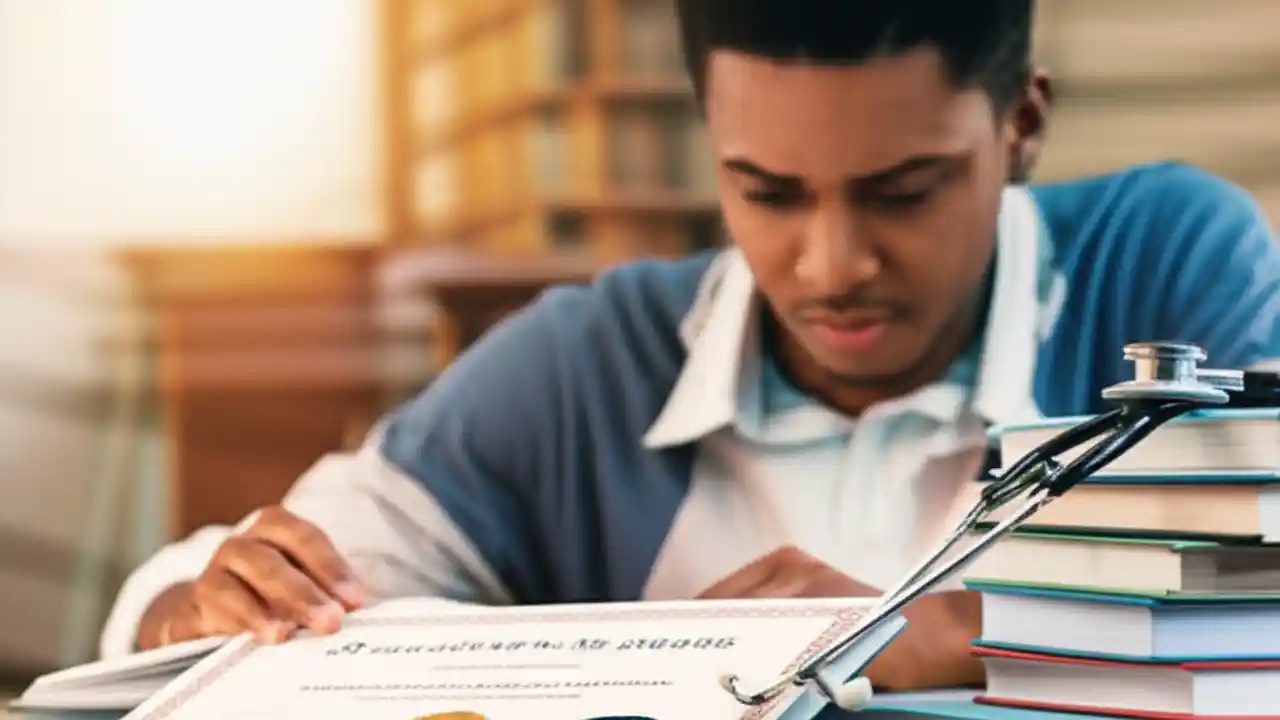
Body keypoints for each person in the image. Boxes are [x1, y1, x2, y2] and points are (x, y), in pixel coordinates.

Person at [100, 0, 1280, 692]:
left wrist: (936, 631)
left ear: (1019, 123)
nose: (830, 267)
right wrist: (201, 607)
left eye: (904, 192)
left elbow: (1257, 599)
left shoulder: (1159, 261)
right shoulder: (584, 360)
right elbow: (219, 591)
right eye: (765, 191)